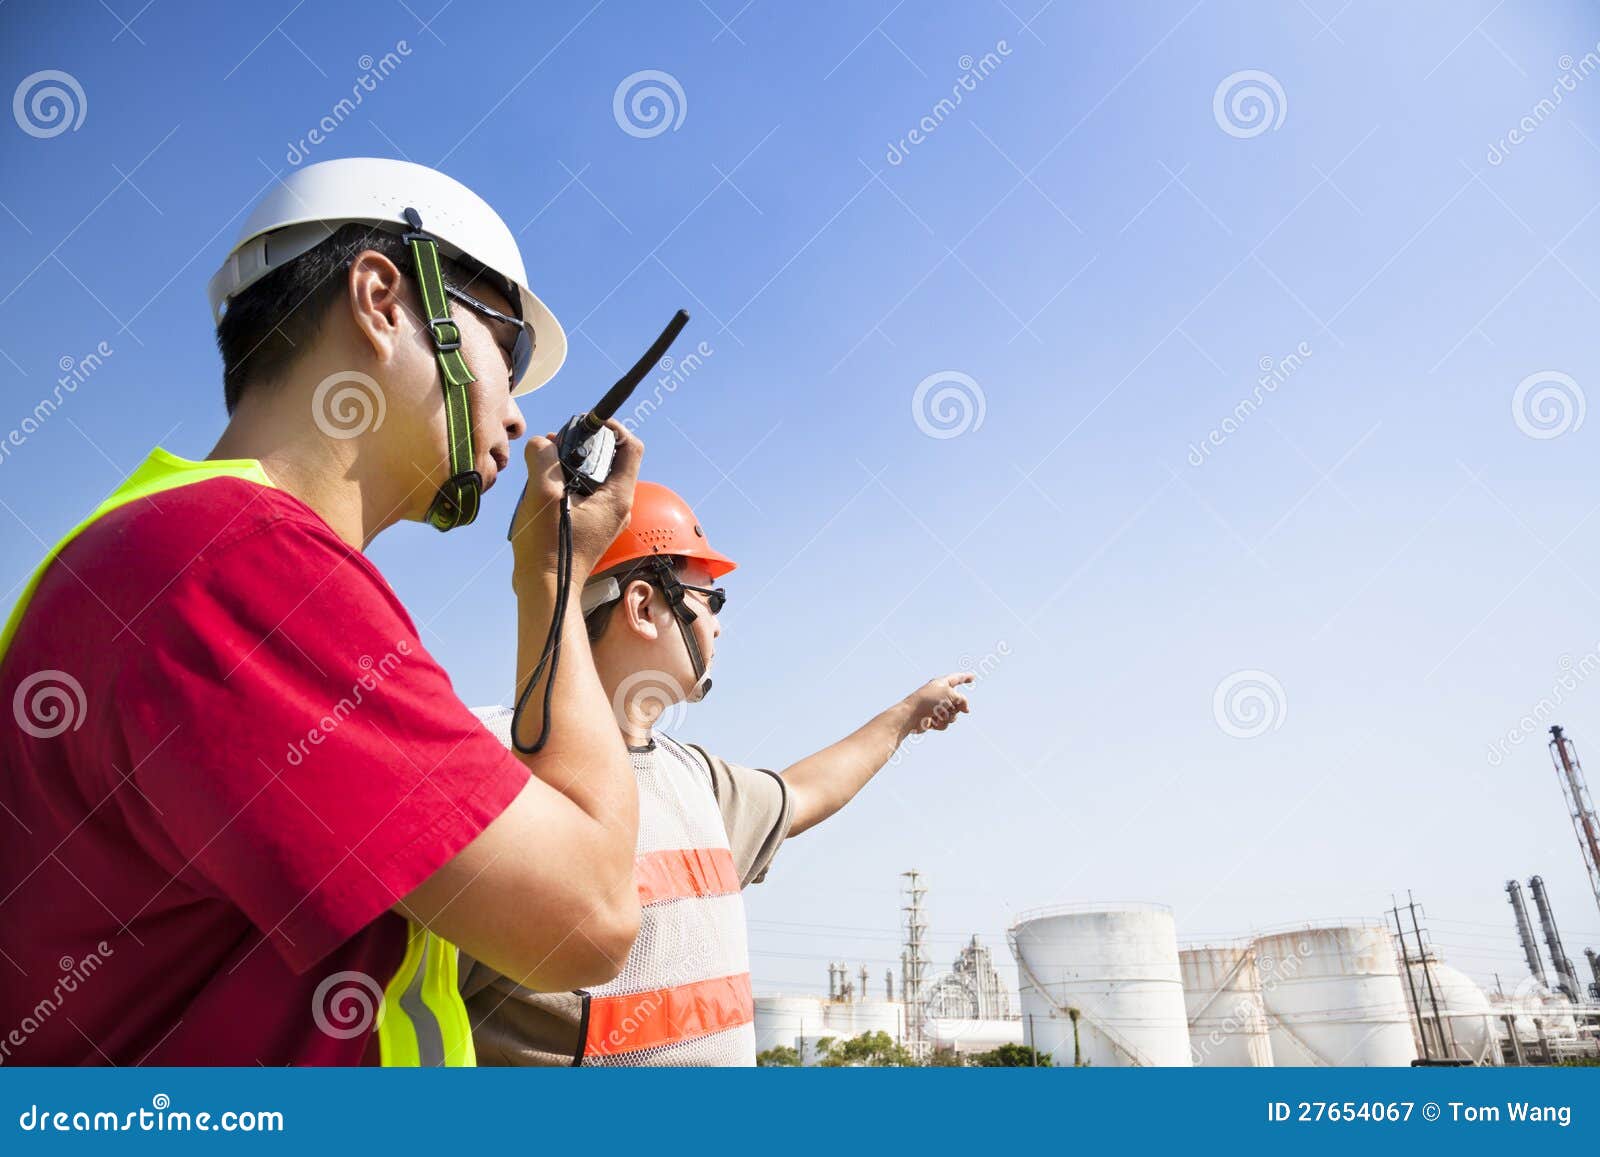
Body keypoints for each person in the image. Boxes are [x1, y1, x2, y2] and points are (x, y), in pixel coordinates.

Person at [0, 157, 643, 1066]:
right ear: (382, 299)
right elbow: (589, 917)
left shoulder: (158, 546)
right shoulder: (244, 572)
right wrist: (552, 578)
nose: (515, 412)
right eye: (511, 347)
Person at [463, 481, 972, 1065]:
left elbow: (802, 792)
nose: (720, 626)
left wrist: (906, 716)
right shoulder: (484, 763)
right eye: (712, 601)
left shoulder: (695, 781)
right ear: (644, 607)